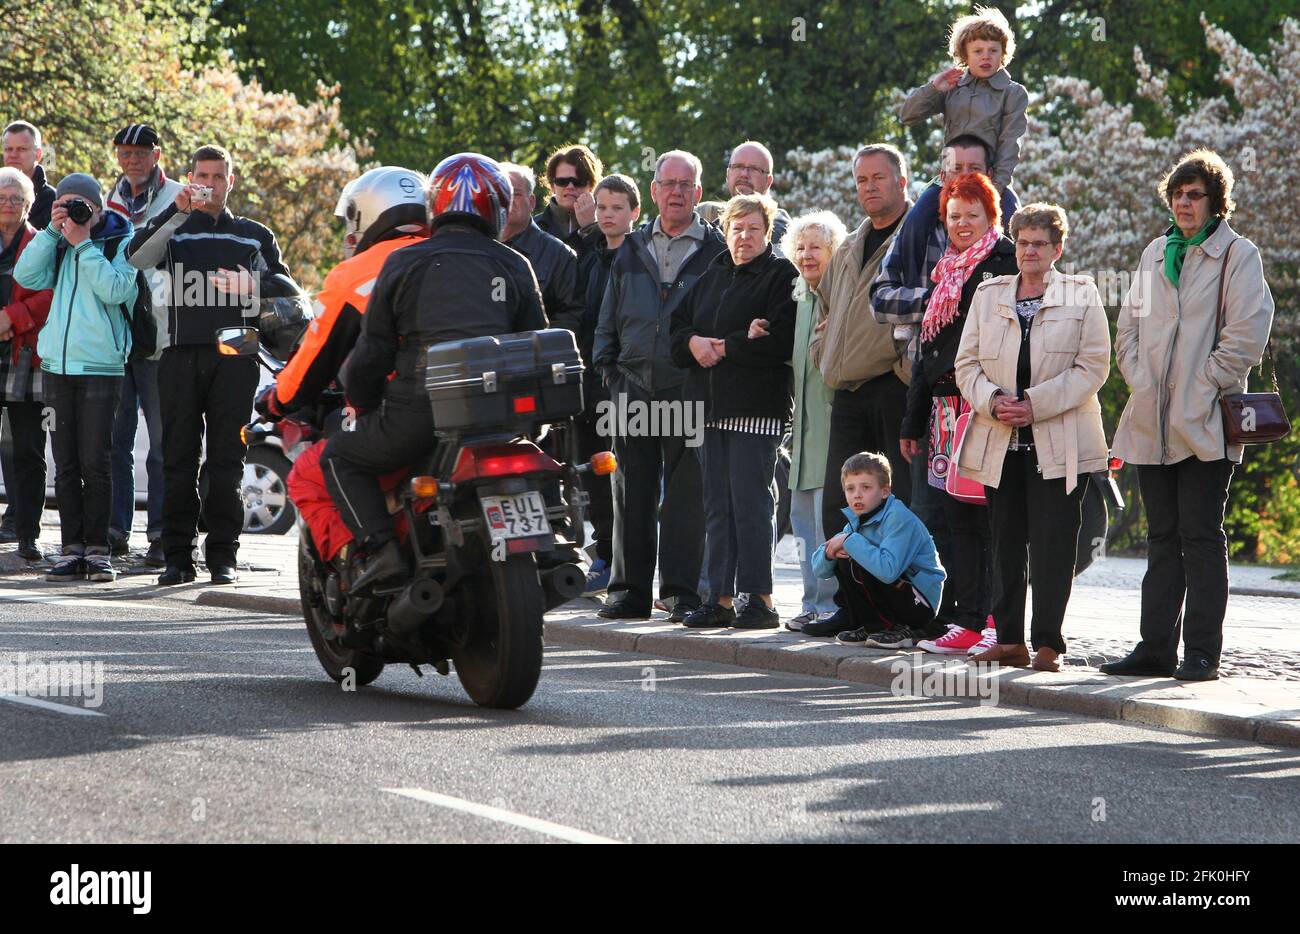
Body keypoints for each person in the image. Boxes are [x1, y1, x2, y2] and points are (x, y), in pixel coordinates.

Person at [320, 153, 547, 592]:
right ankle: (552, 543)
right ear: (497, 206)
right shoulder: (515, 264)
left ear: (436, 206)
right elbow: (534, 345)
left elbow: (373, 353)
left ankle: (382, 550)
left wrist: (362, 403)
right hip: (499, 417)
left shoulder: (405, 263)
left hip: (419, 415)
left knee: (339, 457)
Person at [1102, 149, 1275, 682]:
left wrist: (1203, 383)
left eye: (1194, 194)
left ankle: (1202, 653)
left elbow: (1248, 333)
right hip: (1152, 418)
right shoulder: (1157, 251)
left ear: (1215, 201)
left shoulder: (1237, 256)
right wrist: (1139, 376)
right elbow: (1128, 327)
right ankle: (1154, 647)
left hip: (1205, 419)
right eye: (1177, 193)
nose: (1184, 202)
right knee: (1161, 537)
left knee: (1200, 537)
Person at [127, 144, 301, 586]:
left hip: (236, 355)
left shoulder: (253, 234)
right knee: (178, 459)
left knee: (227, 460)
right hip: (179, 353)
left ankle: (223, 555)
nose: (210, 184)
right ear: (190, 178)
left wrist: (255, 283)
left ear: (231, 181)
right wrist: (176, 212)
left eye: (218, 176)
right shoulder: (176, 228)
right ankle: (177, 556)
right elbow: (135, 256)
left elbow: (290, 291)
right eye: (202, 176)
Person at [954, 203, 1110, 669]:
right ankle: (1008, 639)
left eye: (1040, 243)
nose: (1029, 251)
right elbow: (966, 364)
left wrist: (1034, 404)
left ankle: (1048, 643)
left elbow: (1094, 367)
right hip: (1000, 442)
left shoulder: (1082, 295)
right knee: (1004, 543)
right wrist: (994, 399)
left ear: (1057, 248)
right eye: (1022, 242)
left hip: (1059, 442)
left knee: (1054, 545)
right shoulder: (988, 295)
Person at [592, 150, 724, 622]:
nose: (675, 192)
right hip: (630, 386)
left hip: (688, 387)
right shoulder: (630, 248)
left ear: (698, 193)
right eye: (668, 183)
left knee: (686, 497)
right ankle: (627, 592)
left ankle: (680, 593)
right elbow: (608, 315)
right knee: (631, 493)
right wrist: (607, 370)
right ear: (653, 192)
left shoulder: (716, 250)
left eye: (685, 185)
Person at [900, 172, 1018, 655]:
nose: (962, 224)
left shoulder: (1004, 262)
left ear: (992, 217)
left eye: (973, 214)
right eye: (954, 216)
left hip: (985, 405)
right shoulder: (945, 269)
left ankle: (997, 620)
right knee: (955, 519)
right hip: (944, 411)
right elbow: (926, 352)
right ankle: (966, 619)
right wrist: (913, 420)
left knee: (990, 518)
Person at [800, 144, 913, 638]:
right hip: (846, 392)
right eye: (862, 179)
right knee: (841, 505)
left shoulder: (918, 238)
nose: (869, 186)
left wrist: (906, 370)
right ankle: (854, 607)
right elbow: (826, 312)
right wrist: (823, 355)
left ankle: (897, 616)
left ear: (902, 182)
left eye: (878, 178)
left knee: (894, 506)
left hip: (893, 388)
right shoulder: (849, 245)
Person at [669, 193, 796, 630]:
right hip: (706, 411)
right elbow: (676, 330)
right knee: (716, 505)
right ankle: (719, 598)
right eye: (737, 228)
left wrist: (725, 345)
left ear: (768, 231)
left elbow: (780, 342)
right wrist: (694, 343)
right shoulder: (711, 274)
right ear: (725, 231)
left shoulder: (782, 275)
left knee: (752, 504)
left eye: (754, 228)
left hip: (755, 411)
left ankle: (760, 599)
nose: (744, 236)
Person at [14, 174, 138, 583]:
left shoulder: (119, 241)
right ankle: (71, 549)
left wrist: (84, 242)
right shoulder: (57, 244)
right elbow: (26, 276)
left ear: (99, 209)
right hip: (56, 370)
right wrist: (53, 230)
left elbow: (116, 290)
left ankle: (98, 550)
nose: (74, 212)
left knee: (96, 462)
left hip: (101, 368)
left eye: (82, 205)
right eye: (66, 204)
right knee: (65, 463)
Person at [256, 166, 430, 420]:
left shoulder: (356, 272)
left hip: (399, 408)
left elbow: (318, 351)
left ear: (365, 214)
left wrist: (278, 399)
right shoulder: (448, 254)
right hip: (469, 402)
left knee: (315, 460)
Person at [105, 124, 186, 566]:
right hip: (117, 339)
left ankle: (160, 533)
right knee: (114, 441)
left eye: (140, 151)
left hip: (162, 334)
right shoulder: (108, 200)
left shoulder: (178, 195)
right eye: (125, 151)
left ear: (157, 154)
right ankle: (116, 530)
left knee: (162, 442)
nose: (132, 158)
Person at [779, 211, 845, 630]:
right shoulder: (798, 295)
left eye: (815, 247)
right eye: (800, 248)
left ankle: (833, 605)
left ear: (833, 251)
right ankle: (811, 602)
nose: (806, 255)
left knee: (828, 521)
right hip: (801, 434)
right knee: (804, 523)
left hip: (833, 430)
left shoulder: (841, 294)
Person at [575, 174, 641, 594]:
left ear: (635, 212)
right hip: (588, 383)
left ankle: (631, 568)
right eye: (602, 208)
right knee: (596, 474)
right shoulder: (586, 257)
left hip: (629, 383)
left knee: (630, 476)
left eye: (617, 208)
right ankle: (603, 556)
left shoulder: (644, 257)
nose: (608, 215)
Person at [811, 452, 945, 647]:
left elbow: (888, 571)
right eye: (850, 488)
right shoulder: (856, 521)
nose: (857, 494)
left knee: (856, 552)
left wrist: (850, 541)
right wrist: (828, 553)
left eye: (866, 487)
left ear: (885, 491)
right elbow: (819, 571)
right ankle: (873, 626)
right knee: (846, 557)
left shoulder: (899, 518)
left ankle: (902, 629)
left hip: (920, 605)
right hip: (899, 597)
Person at [900, 6, 1027, 207]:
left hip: (989, 179)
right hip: (949, 178)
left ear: (1002, 54)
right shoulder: (952, 86)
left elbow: (1009, 145)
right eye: (978, 51)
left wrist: (995, 189)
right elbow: (907, 115)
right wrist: (934, 87)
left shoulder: (1013, 93)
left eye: (993, 50)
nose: (986, 56)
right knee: (917, 218)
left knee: (1013, 217)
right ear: (965, 56)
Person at [0, 121, 56, 543]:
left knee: (28, 450)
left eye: (16, 198)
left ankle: (27, 535)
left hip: (24, 355)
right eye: (1, 197)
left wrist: (11, 317)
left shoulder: (40, 244)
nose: (8, 203)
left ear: (28, 202)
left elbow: (51, 294)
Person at [500, 162, 583, 332]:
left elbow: (571, 318)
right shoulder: (478, 248)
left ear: (531, 202)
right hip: (482, 355)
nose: (506, 200)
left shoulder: (560, 255)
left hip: (534, 355)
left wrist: (529, 344)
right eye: (500, 193)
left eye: (515, 194)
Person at [535, 144, 603, 255]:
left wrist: (591, 229)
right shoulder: (533, 228)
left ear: (591, 186)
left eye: (578, 182)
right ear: (552, 186)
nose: (570, 187)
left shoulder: (608, 226)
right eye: (562, 181)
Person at [722, 141, 791, 251]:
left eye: (754, 169)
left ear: (768, 181)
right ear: (728, 174)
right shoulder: (715, 226)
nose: (744, 174)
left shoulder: (780, 232)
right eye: (738, 166)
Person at [2, 121, 55, 230]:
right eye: (9, 149)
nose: (13, 155)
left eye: (22, 149)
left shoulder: (53, 201)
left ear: (38, 154)